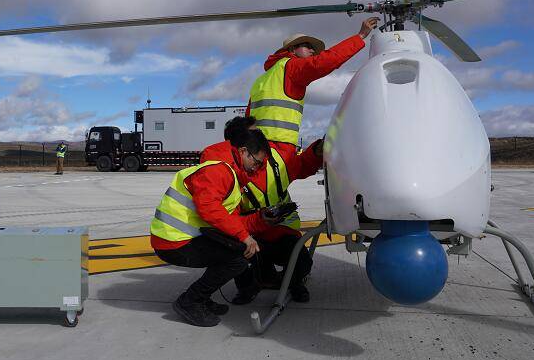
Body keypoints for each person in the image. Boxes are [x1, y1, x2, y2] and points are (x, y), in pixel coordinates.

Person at [149, 128, 271, 327]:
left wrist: (261, 220)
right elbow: (208, 208)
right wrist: (244, 237)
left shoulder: (231, 177)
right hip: (173, 242)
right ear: (243, 152)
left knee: (234, 251)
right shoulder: (218, 171)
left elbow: (231, 221)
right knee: (236, 261)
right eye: (256, 162)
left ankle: (202, 298)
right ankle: (190, 301)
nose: (256, 169)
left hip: (183, 237)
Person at [201, 116, 323, 304]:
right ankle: (248, 287)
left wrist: (316, 151)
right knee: (236, 252)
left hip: (282, 229)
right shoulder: (226, 172)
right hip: (252, 232)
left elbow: (303, 164)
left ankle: (293, 283)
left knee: (302, 264)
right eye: (254, 133)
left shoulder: (276, 159)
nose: (260, 136)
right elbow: (219, 211)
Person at [248, 17, 380, 148]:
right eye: (308, 47)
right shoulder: (291, 67)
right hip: (278, 147)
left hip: (256, 148)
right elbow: (323, 62)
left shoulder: (263, 79)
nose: (312, 51)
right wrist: (360, 36)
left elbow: (247, 118)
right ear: (293, 49)